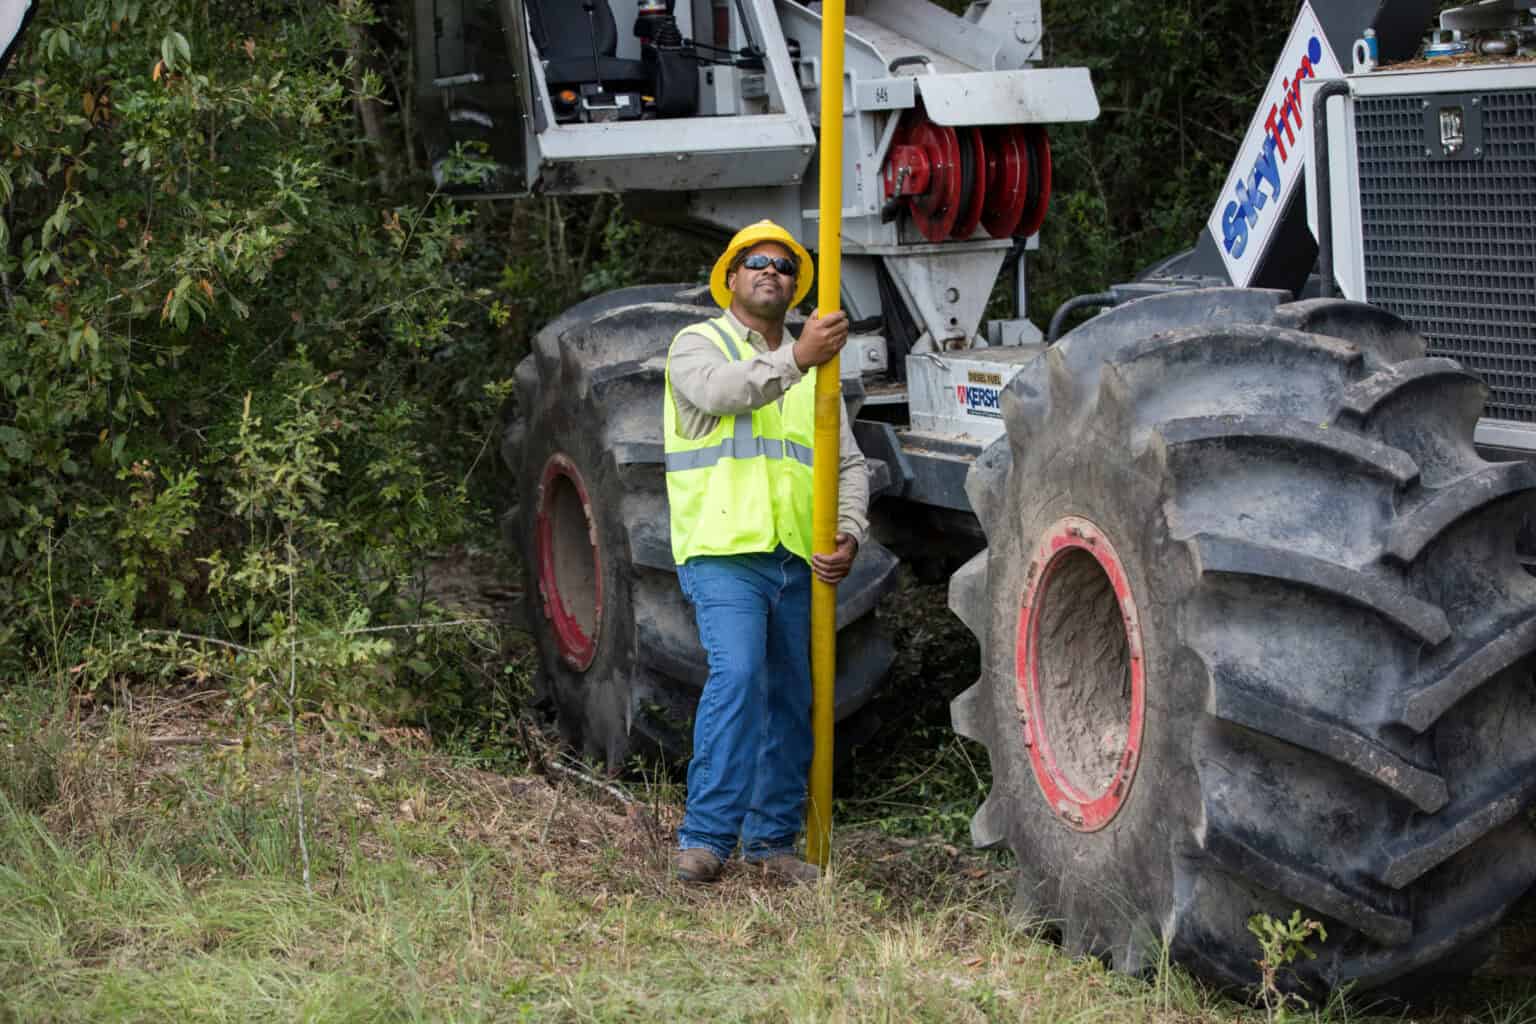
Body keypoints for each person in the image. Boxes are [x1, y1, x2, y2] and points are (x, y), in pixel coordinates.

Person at [664, 220, 869, 884]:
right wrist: (799, 357)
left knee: (793, 700)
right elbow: (725, 392)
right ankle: (705, 839)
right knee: (741, 677)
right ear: (731, 276)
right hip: (723, 554)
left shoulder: (815, 369)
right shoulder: (698, 344)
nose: (771, 272)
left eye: (784, 265)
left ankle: (772, 845)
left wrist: (850, 532)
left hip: (795, 560)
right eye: (755, 262)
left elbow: (848, 465)